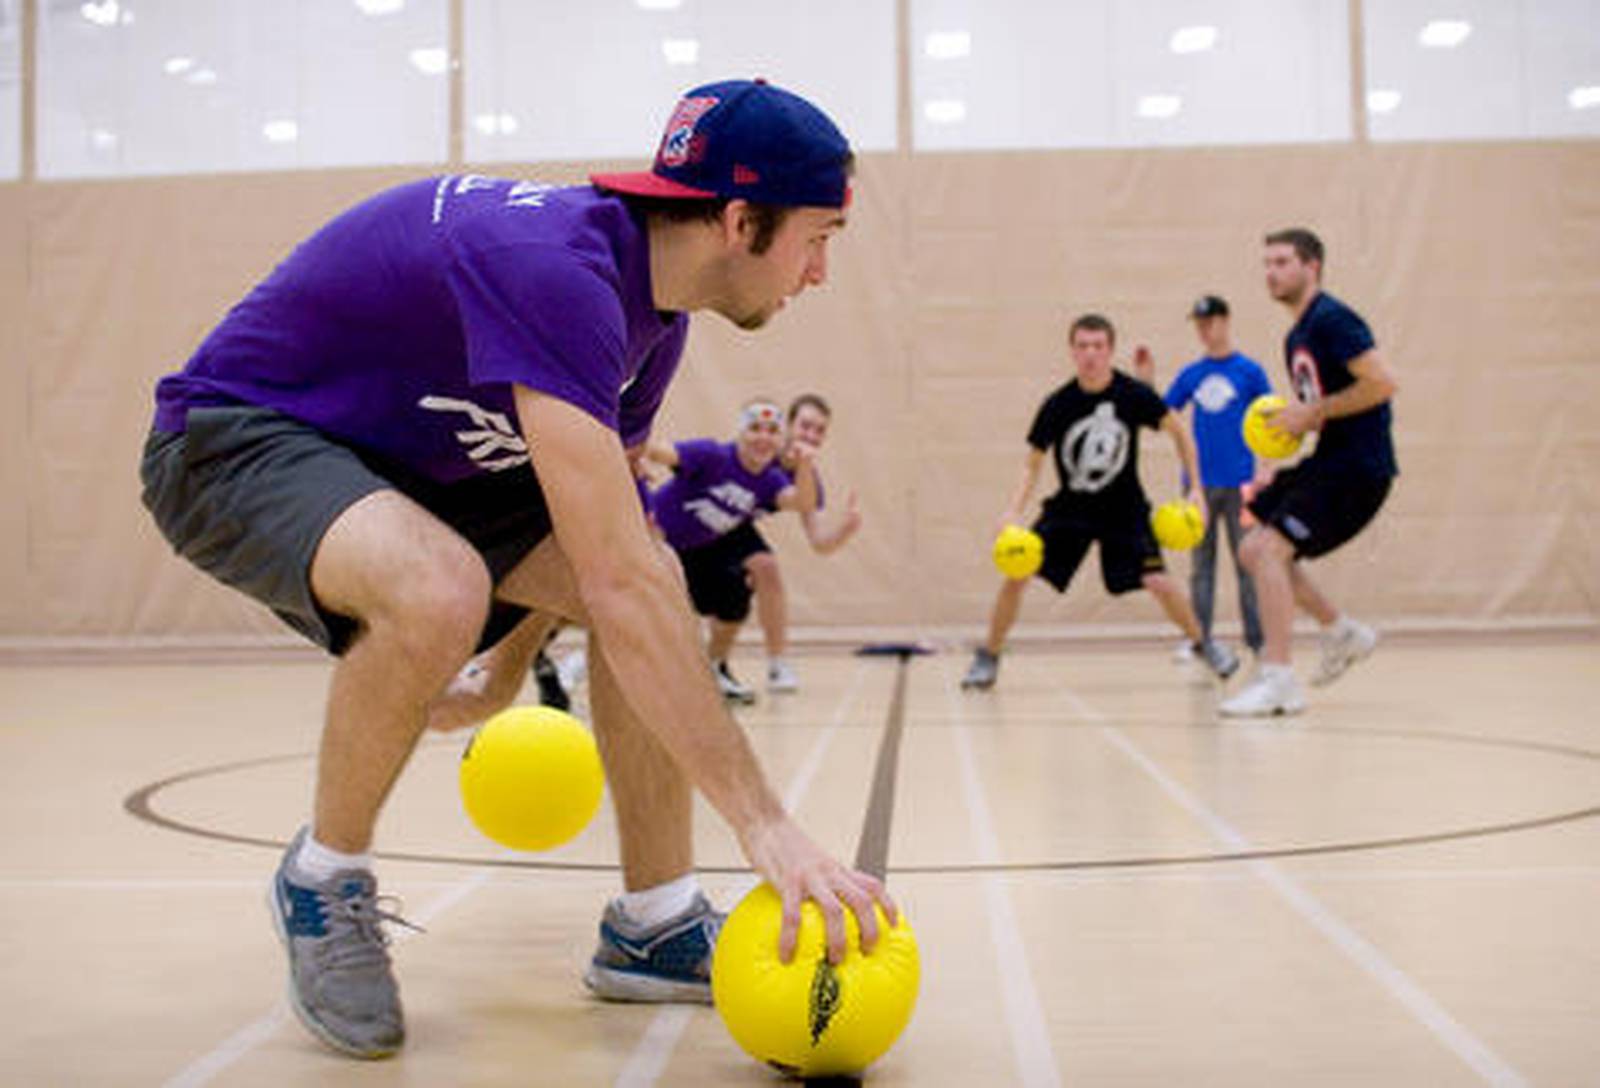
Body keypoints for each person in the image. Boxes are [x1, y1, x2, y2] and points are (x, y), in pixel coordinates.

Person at [139, 78, 893, 1060]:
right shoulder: (555, 270)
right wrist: (767, 826)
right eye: (819, 236)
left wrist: (501, 669)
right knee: (446, 587)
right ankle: (324, 878)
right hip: (234, 438)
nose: (821, 270)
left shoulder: (650, 329)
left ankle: (655, 920)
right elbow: (609, 581)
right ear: (741, 221)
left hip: (417, 469)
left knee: (650, 576)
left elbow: (601, 554)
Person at [961, 313, 1242, 690]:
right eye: (1083, 346)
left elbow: (1181, 433)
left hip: (1124, 509)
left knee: (1160, 581)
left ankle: (1204, 644)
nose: (1090, 354)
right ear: (1072, 352)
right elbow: (1032, 464)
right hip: (1070, 510)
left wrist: (1195, 488)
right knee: (1017, 573)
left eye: (1098, 346)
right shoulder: (1058, 404)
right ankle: (989, 656)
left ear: (1110, 350)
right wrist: (1013, 511)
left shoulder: (1133, 395)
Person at [1220, 228, 1399, 716]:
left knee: (1272, 550)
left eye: (1281, 262)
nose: (1271, 272)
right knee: (1254, 548)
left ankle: (1279, 681)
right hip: (1330, 460)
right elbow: (1310, 413)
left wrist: (1312, 412)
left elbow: (1382, 383)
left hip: (1359, 468)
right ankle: (1343, 633)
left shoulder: (1332, 320)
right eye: (1267, 263)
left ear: (1311, 266)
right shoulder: (1297, 334)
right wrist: (1280, 447)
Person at [642, 399, 819, 704]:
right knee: (653, 616)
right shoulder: (711, 455)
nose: (763, 437)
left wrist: (805, 464)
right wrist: (638, 453)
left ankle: (715, 666)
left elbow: (803, 503)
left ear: (780, 441)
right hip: (657, 543)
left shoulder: (769, 481)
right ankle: (585, 662)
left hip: (701, 551)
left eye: (772, 431)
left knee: (736, 594)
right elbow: (659, 451)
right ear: (740, 433)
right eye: (754, 429)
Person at [1138, 295, 1273, 663]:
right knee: (1202, 566)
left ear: (1226, 321)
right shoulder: (1191, 375)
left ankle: (1259, 641)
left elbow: (1271, 420)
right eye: (1198, 324)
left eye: (1210, 321)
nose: (1204, 330)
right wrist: (1147, 386)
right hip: (1199, 485)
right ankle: (1201, 639)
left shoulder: (1250, 372)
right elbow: (1160, 417)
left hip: (1243, 483)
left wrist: (1265, 468)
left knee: (1249, 563)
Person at [731, 393, 863, 693]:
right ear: (788, 426)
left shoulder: (806, 477)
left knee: (765, 571)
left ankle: (777, 664)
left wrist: (846, 529)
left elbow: (819, 542)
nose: (811, 435)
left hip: (734, 529)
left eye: (819, 430)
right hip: (705, 518)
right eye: (805, 426)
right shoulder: (758, 446)